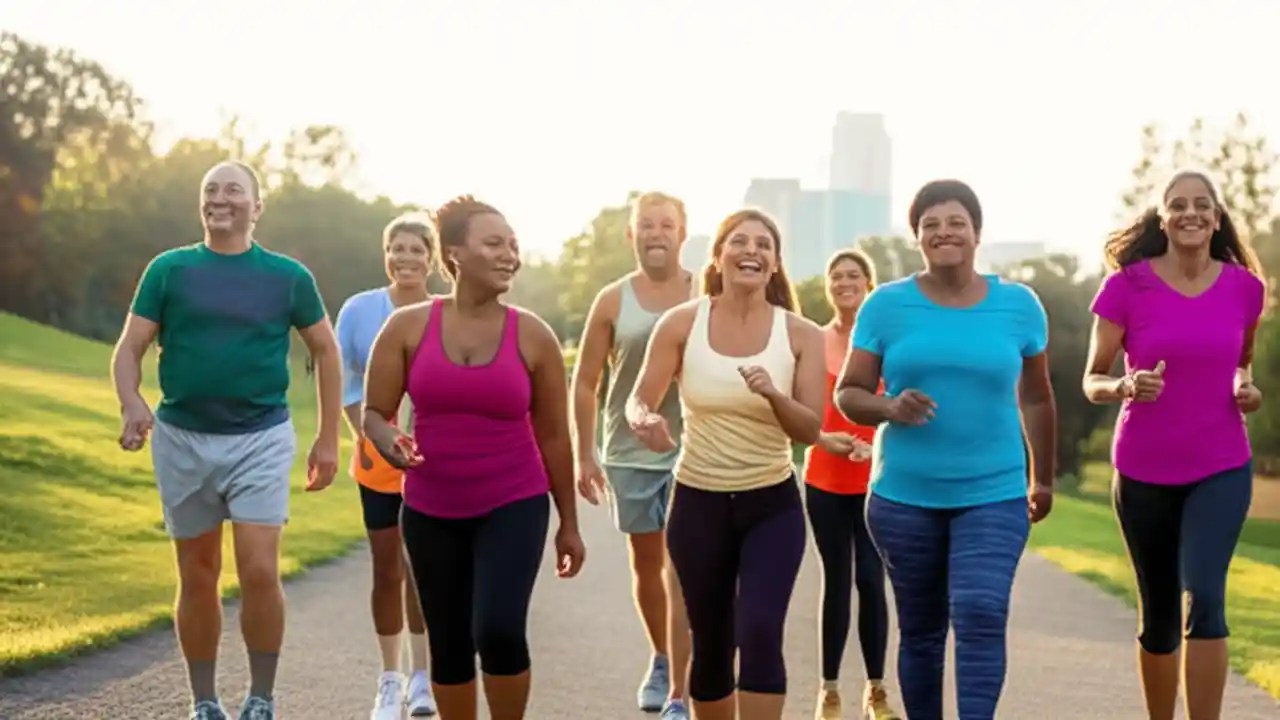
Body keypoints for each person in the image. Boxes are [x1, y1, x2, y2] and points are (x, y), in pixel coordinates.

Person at [110, 160, 342, 720]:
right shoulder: (169, 269)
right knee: (198, 574)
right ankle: (205, 701)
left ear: (256, 208)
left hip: (260, 438)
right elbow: (129, 348)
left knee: (260, 569)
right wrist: (132, 401)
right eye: (210, 189)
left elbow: (326, 351)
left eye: (233, 190)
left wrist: (328, 439)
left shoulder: (288, 276)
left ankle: (260, 698)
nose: (220, 198)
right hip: (183, 439)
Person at [835, 179, 1057, 720]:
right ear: (918, 239)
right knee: (923, 627)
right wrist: (888, 407)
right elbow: (849, 393)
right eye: (930, 225)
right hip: (905, 496)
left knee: (981, 609)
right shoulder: (887, 306)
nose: (944, 232)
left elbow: (1036, 396)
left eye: (955, 222)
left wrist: (1043, 477)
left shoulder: (1018, 306)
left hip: (995, 491)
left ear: (976, 233)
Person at [361, 195, 586, 720]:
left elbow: (555, 435)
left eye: (513, 245)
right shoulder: (407, 329)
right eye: (494, 243)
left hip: (514, 501)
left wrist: (569, 523)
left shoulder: (534, 336)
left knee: (500, 630)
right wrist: (388, 440)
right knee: (451, 641)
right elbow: (376, 412)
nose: (510, 254)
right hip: (430, 508)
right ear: (456, 253)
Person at [628, 208, 825, 720]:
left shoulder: (801, 334)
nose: (752, 251)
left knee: (759, 628)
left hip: (771, 504)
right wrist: (644, 420)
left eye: (764, 244)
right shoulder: (681, 323)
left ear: (776, 263)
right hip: (698, 504)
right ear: (718, 256)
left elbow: (809, 430)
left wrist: (773, 395)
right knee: (711, 640)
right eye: (739, 241)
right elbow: (638, 399)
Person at [1083, 169, 1265, 720]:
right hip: (1143, 468)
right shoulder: (1126, 286)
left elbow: (1241, 361)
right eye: (1178, 205)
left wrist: (1244, 387)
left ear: (1216, 216)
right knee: (1159, 615)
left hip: (1221, 464)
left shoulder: (1245, 288)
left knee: (1205, 596)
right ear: (1162, 218)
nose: (1191, 213)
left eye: (1202, 205)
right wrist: (1125, 385)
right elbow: (1093, 378)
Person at [570, 191, 693, 719]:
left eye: (666, 224)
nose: (656, 233)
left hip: (696, 450)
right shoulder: (614, 300)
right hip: (629, 452)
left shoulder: (707, 289)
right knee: (648, 563)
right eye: (646, 225)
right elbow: (586, 382)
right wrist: (584, 455)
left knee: (686, 565)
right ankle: (662, 657)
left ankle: (684, 686)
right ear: (632, 234)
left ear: (682, 233)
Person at [334, 213, 439, 718]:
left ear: (433, 259)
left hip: (433, 457)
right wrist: (368, 436)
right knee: (385, 567)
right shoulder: (359, 310)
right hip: (376, 453)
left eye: (417, 249)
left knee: (422, 567)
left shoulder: (445, 312)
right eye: (397, 248)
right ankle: (389, 678)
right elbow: (345, 381)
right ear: (385, 255)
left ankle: (422, 677)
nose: (405, 258)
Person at [803, 249, 901, 720]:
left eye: (854, 275)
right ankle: (828, 690)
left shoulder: (885, 342)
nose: (845, 282)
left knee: (870, 579)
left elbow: (899, 404)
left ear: (868, 283)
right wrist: (826, 441)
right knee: (836, 580)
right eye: (837, 275)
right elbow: (800, 410)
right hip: (823, 478)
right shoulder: (811, 341)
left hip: (876, 479)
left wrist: (876, 441)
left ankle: (876, 691)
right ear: (829, 286)